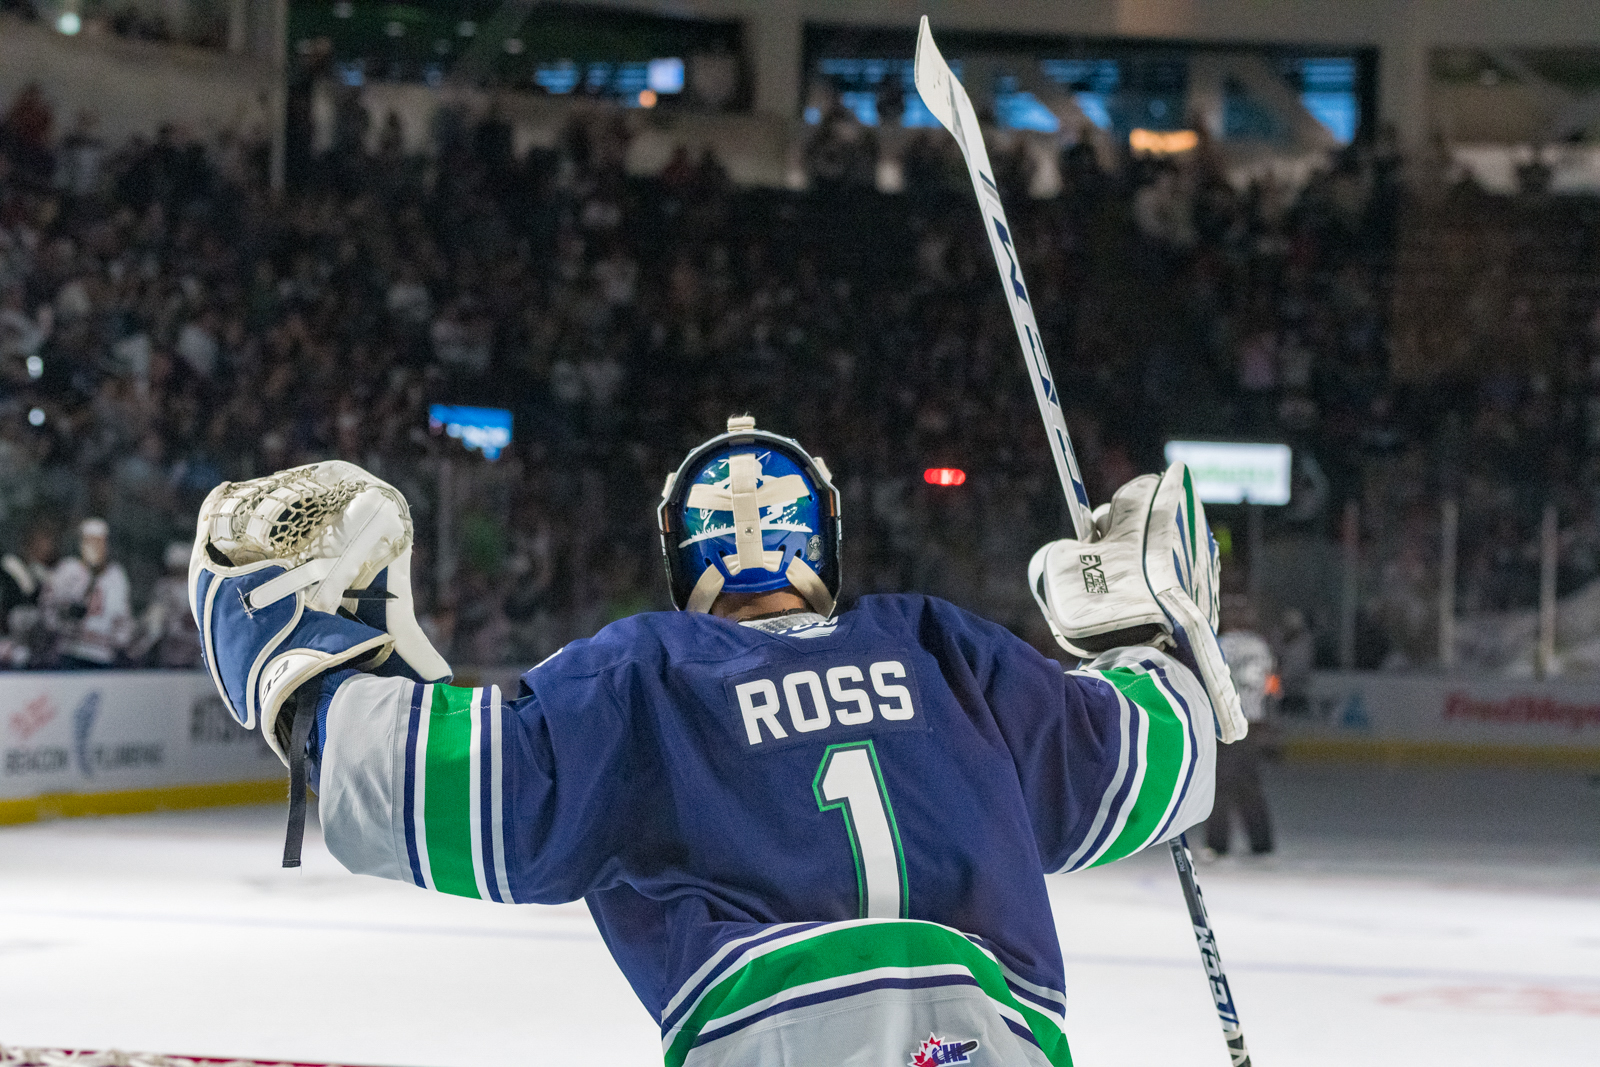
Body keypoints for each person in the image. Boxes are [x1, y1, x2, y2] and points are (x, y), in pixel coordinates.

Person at [190, 422, 1244, 1067]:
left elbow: (415, 788)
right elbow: (1161, 755)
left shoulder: (642, 674)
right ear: (820, 541)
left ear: (679, 556)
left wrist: (294, 650)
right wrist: (1151, 634)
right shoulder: (940, 649)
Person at [1205, 597, 1276, 859]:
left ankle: (1217, 843)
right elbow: (1270, 683)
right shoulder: (1260, 646)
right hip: (1253, 720)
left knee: (1220, 783)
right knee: (1249, 783)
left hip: (1227, 720)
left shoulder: (1219, 645)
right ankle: (1262, 842)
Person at [42, 517, 133, 669]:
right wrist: (90, 578)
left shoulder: (116, 575)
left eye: (99, 542)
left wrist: (123, 640)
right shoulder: (67, 570)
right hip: (71, 652)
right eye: (90, 542)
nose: (95, 547)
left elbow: (122, 618)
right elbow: (57, 613)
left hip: (103, 655)